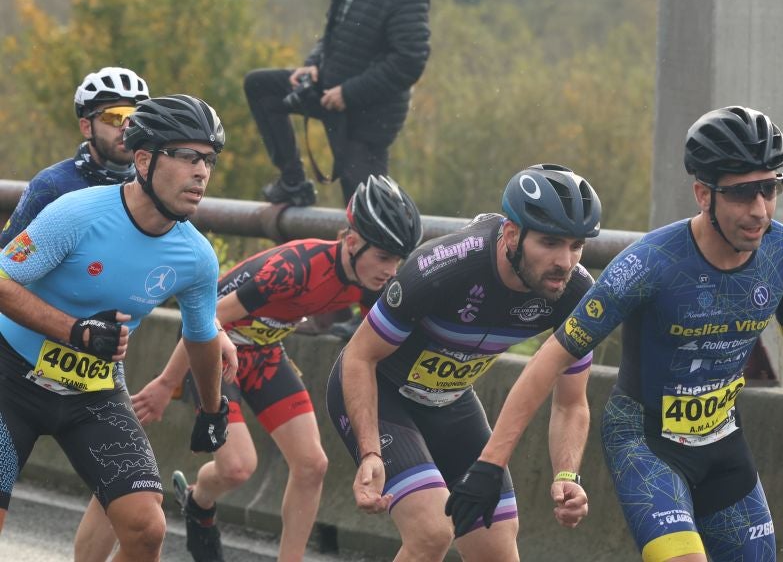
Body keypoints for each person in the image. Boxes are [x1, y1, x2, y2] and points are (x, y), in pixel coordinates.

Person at [446, 106, 783, 562]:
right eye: (743, 194)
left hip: (723, 442)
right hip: (646, 446)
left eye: (770, 189)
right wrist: (491, 463)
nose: (760, 210)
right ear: (703, 194)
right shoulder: (648, 264)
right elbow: (551, 358)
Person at [128, 175, 423, 562]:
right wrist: (168, 382)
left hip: (264, 352)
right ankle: (200, 501)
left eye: (398, 260)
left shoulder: (371, 283)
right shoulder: (293, 269)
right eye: (384, 257)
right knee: (237, 468)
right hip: (214, 350)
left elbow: (377, 352)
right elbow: (205, 317)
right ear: (351, 241)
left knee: (313, 464)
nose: (390, 270)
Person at [326, 164, 602, 562]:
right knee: (431, 532)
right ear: (511, 234)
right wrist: (370, 451)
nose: (565, 260)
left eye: (577, 246)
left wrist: (566, 475)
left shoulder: (575, 293)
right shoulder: (443, 266)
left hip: (450, 403)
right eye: (550, 242)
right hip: (384, 393)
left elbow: (571, 401)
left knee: (497, 548)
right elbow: (359, 355)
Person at [0, 94, 231, 562]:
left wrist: (212, 409)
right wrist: (75, 332)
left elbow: (202, 336)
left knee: (146, 528)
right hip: (10, 379)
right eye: (187, 156)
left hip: (93, 392)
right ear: (143, 159)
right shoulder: (76, 213)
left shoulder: (196, 256)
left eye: (208, 160)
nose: (201, 172)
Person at [244, 0, 430, 207]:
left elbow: (410, 61)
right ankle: (293, 184)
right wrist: (313, 64)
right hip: (328, 90)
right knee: (261, 88)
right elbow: (334, 34)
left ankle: (370, 237)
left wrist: (349, 93)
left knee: (365, 211)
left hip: (370, 115)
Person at [0, 66, 150, 247]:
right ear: (87, 127)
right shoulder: (51, 185)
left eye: (135, 117)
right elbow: (5, 259)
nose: (126, 126)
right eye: (114, 116)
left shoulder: (153, 185)